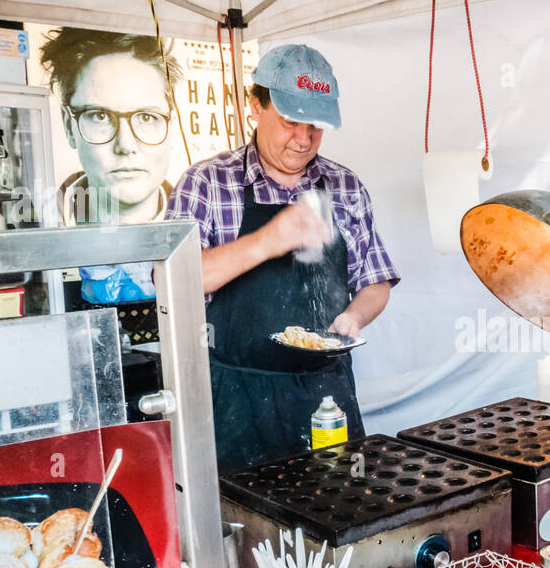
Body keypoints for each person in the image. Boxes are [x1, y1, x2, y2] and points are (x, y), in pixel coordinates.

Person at [166, 44, 399, 473]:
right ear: (255, 106)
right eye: (291, 121)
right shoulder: (206, 183)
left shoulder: (345, 186)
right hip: (234, 399)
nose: (304, 139)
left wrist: (352, 320)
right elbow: (176, 282)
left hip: (326, 393)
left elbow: (376, 280)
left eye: (317, 126)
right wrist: (268, 240)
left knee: (337, 513)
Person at [40, 27, 183, 303]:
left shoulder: (204, 228)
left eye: (146, 117)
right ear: (69, 126)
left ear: (171, 126)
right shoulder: (38, 233)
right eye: (101, 115)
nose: (126, 144)